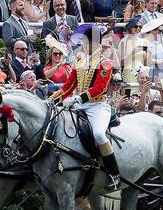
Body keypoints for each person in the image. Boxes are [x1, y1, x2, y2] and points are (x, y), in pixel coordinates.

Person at [50, 25, 118, 188]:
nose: (84, 46)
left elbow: (100, 88)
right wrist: (51, 100)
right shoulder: (79, 61)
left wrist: (78, 99)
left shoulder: (105, 63)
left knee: (100, 135)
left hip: (97, 106)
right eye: (84, 43)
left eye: (87, 43)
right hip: (78, 105)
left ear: (98, 45)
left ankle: (114, 175)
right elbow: (68, 87)